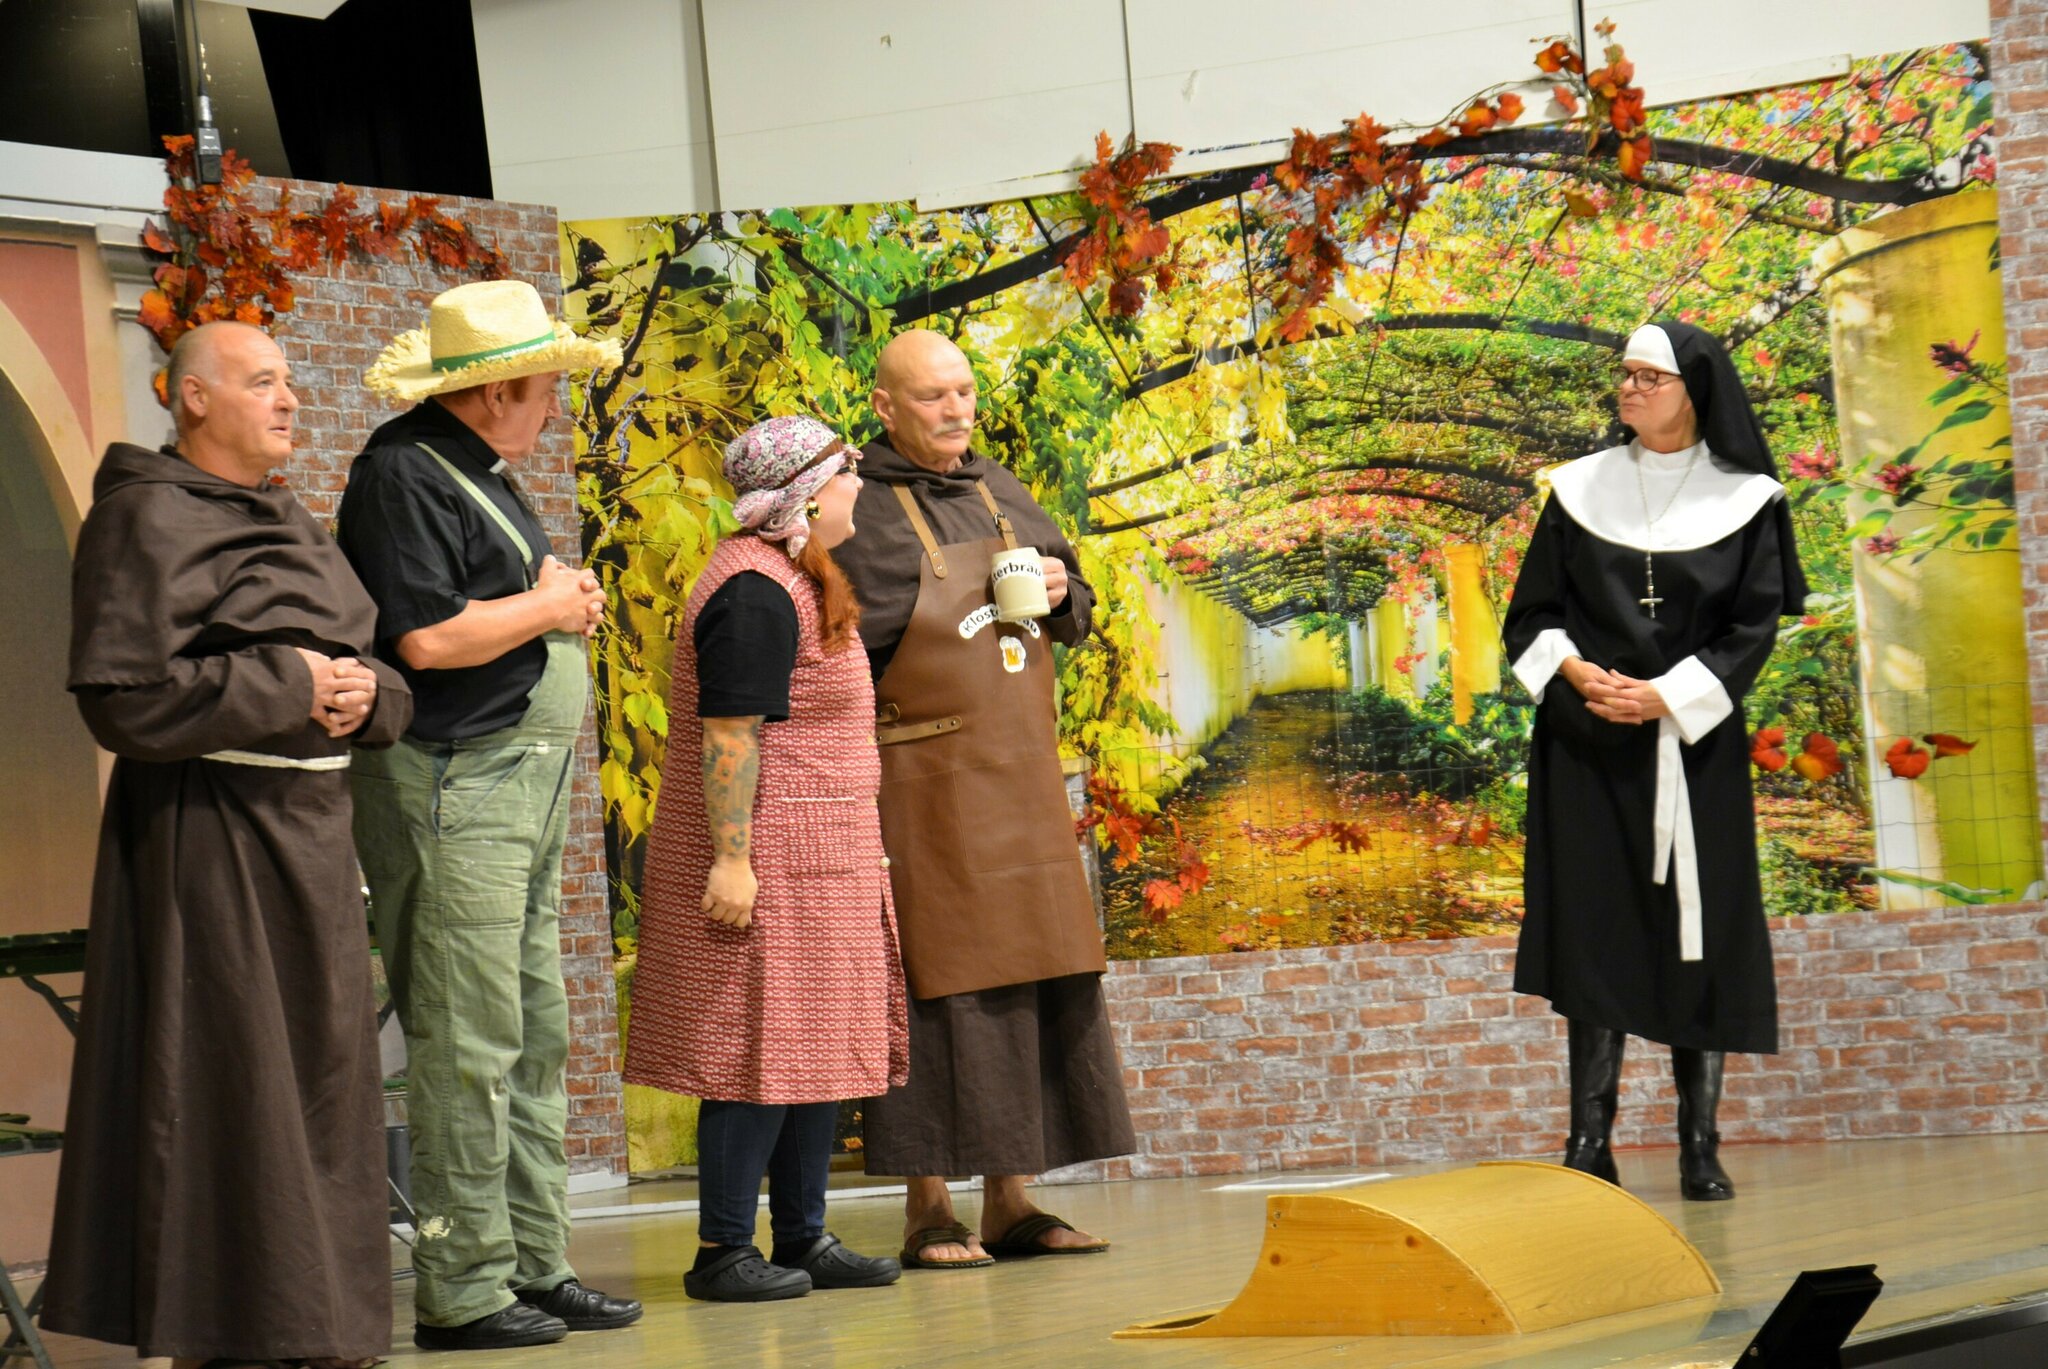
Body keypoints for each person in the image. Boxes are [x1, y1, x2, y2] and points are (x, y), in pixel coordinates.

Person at [41, 322, 410, 1367]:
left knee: (326, 1092)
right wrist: (288, 683)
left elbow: (379, 672)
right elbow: (122, 701)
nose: (288, 399)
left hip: (316, 844)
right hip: (210, 843)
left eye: (289, 380)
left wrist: (361, 691)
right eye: (261, 382)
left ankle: (318, 1330)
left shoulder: (291, 517)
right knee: (228, 1089)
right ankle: (232, 1332)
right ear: (191, 397)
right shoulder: (144, 516)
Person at [338, 279, 641, 1349]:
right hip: (457, 781)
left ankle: (531, 1261)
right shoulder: (398, 475)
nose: (554, 402)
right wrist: (552, 607)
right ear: (496, 389)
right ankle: (464, 1287)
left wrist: (555, 601)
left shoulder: (468, 468)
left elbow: (489, 603)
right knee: (469, 1040)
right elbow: (424, 638)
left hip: (513, 781)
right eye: (545, 385)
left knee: (531, 1031)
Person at [832, 328, 1135, 1269]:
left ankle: (1013, 1199)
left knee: (1031, 976)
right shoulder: (862, 512)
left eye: (964, 391)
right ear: (886, 406)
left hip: (1022, 778)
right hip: (922, 783)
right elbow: (833, 645)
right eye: (933, 396)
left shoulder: (1001, 488)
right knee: (936, 986)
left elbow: (1077, 600)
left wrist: (1062, 587)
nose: (956, 409)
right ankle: (929, 1206)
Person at [1502, 320, 1808, 1201]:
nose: (1629, 390)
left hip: (1693, 749)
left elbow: (1755, 627)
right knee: (1596, 932)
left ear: (1693, 390)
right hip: (1586, 744)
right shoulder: (1576, 490)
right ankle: (1589, 1139)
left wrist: (1668, 695)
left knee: (1694, 937)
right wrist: (1576, 673)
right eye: (1625, 378)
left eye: (1648, 377)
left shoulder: (1747, 499)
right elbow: (1532, 616)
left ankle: (1698, 1143)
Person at [628, 415, 910, 1302]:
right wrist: (731, 860)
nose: (861, 486)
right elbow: (729, 734)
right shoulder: (752, 592)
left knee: (814, 1050)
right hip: (772, 856)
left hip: (823, 855)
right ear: (810, 493)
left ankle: (802, 1235)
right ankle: (722, 1249)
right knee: (755, 1052)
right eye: (849, 472)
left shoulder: (796, 572)